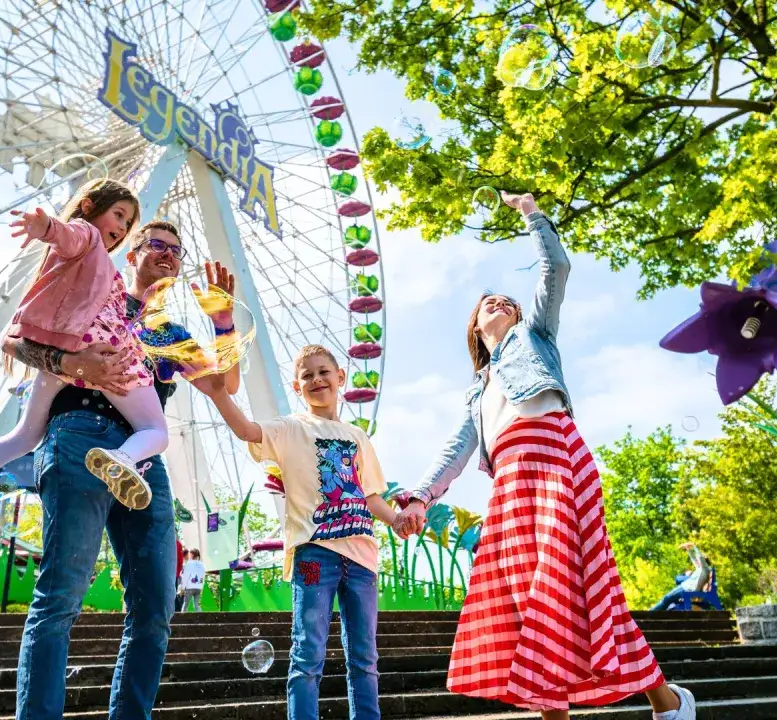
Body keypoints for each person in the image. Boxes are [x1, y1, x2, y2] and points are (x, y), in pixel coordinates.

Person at [394, 192, 696, 720]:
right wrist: (420, 495)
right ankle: (587, 710)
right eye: (488, 302)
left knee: (579, 587)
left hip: (557, 461)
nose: (499, 302)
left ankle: (668, 703)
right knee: (527, 603)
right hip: (510, 486)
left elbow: (555, 268)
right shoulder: (476, 392)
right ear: (473, 330)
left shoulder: (534, 335)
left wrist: (531, 213)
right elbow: (454, 452)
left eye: (507, 299)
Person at [1, 219, 242, 720]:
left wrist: (222, 320)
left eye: (176, 250)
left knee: (156, 605)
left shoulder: (171, 334)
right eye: (155, 245)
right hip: (78, 433)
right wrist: (74, 364)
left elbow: (225, 385)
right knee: (63, 590)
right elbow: (16, 343)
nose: (166, 254)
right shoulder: (91, 294)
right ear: (131, 255)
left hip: (140, 457)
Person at [0, 179, 170, 550]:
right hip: (107, 355)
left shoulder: (66, 267)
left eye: (128, 224)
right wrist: (44, 227)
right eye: (119, 215)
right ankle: (121, 458)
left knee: (24, 436)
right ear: (89, 206)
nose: (122, 229)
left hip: (63, 356)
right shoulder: (89, 241)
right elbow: (71, 234)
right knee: (156, 431)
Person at [192, 344, 399, 720]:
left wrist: (397, 520)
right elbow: (246, 429)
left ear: (341, 378)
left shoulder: (358, 437)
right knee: (307, 654)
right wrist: (220, 394)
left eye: (324, 372)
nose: (317, 379)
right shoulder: (290, 428)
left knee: (365, 658)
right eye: (308, 375)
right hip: (312, 554)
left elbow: (369, 496)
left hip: (362, 557)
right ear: (296, 386)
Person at [652, 543, 712, 611]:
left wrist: (694, 546)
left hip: (686, 589)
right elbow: (694, 559)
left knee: (666, 599)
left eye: (698, 560)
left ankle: (649, 614)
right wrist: (688, 549)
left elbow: (700, 557)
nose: (697, 561)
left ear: (703, 561)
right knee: (668, 601)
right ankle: (653, 614)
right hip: (687, 589)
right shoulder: (701, 569)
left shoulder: (705, 569)